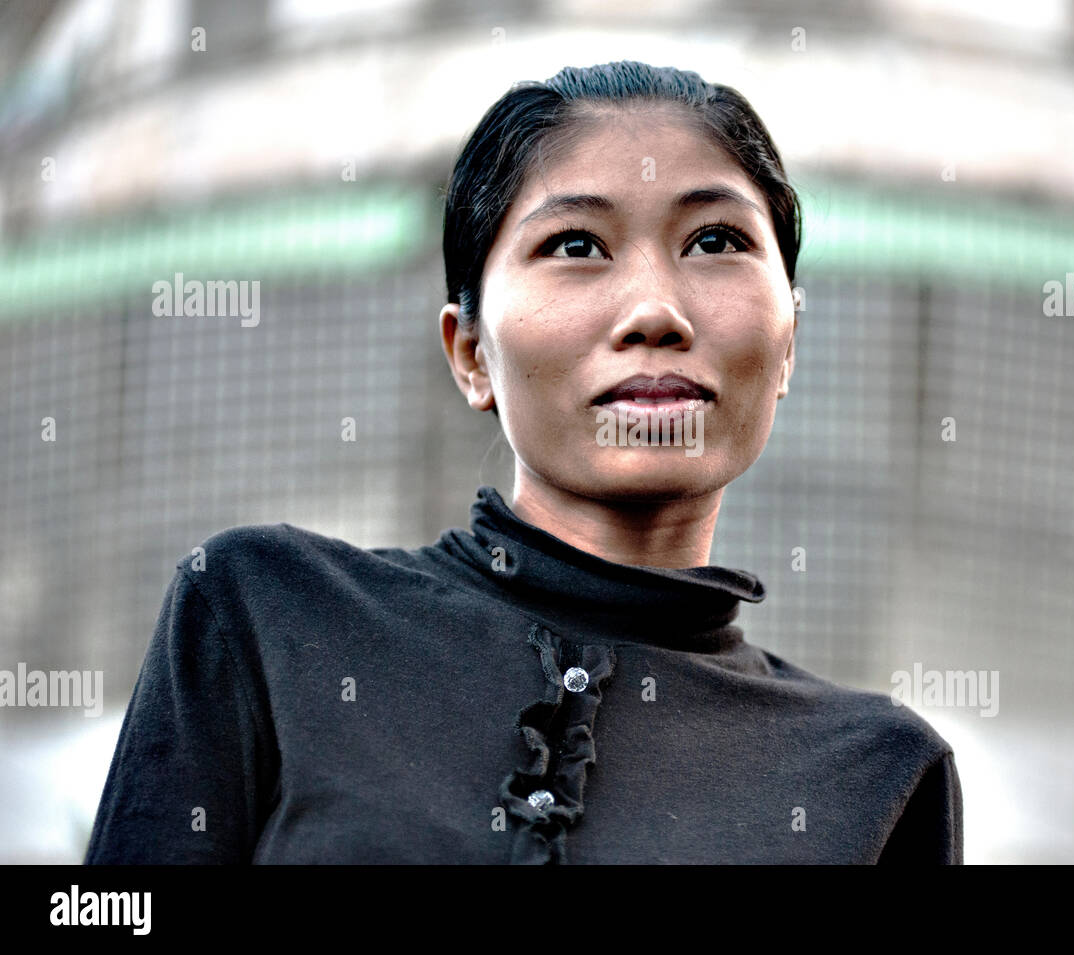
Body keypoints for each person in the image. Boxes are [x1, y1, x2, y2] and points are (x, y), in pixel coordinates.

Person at [84, 59, 962, 864]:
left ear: (790, 344)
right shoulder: (267, 614)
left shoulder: (877, 775)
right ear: (469, 352)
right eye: (575, 245)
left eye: (715, 242)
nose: (655, 311)